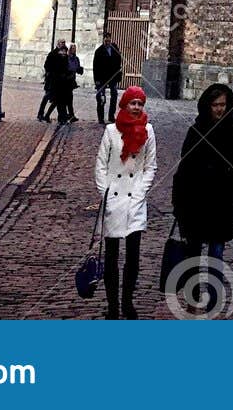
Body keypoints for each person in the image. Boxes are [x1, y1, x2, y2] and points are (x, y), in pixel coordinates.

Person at [172, 84, 233, 309]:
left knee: (216, 255)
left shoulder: (232, 133)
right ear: (207, 106)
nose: (220, 109)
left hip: (221, 203)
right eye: (215, 105)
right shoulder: (196, 131)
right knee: (193, 253)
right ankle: (193, 298)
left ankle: (213, 300)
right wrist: (179, 202)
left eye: (223, 105)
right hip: (196, 202)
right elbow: (184, 168)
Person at [94, 84, 157, 319]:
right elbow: (101, 165)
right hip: (114, 199)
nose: (136, 107)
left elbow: (151, 166)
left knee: (133, 255)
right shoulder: (111, 131)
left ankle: (128, 301)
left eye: (140, 104)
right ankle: (112, 304)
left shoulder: (149, 131)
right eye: (133, 103)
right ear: (125, 104)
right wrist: (106, 193)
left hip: (135, 200)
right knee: (111, 256)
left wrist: (141, 193)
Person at [39, 40, 71, 123]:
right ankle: (41, 113)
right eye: (61, 43)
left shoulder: (65, 56)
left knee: (57, 100)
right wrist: (51, 74)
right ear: (58, 44)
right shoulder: (53, 54)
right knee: (48, 97)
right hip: (52, 81)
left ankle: (53, 116)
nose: (63, 44)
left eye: (64, 43)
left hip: (60, 82)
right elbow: (47, 66)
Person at [93, 36, 123, 124]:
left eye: (109, 40)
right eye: (106, 41)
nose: (107, 42)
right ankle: (101, 117)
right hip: (102, 78)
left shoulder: (114, 49)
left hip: (112, 77)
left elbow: (118, 62)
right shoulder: (99, 51)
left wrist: (118, 74)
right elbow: (95, 66)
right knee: (101, 98)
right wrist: (96, 80)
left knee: (114, 95)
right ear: (103, 40)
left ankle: (111, 116)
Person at [67, 44, 83, 122]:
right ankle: (68, 115)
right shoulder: (66, 58)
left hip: (72, 80)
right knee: (64, 99)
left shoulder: (76, 59)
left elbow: (77, 68)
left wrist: (80, 70)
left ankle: (71, 115)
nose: (73, 50)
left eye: (74, 48)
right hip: (65, 80)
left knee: (70, 98)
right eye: (72, 48)